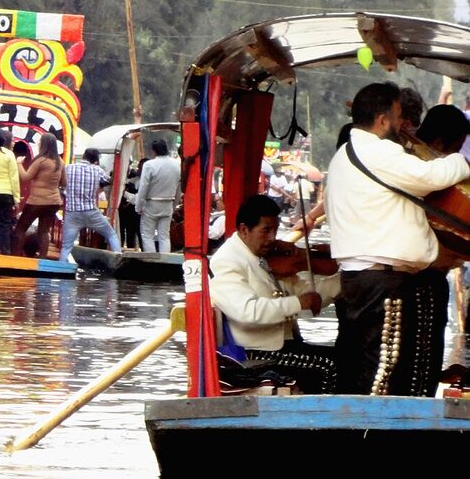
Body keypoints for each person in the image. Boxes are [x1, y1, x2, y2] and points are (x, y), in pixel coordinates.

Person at [325, 82, 469, 396]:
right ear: (382, 120)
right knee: (382, 370)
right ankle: (370, 434)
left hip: (360, 277)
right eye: (399, 115)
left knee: (366, 363)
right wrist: (461, 161)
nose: (404, 124)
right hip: (381, 281)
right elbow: (433, 176)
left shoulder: (345, 154)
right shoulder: (378, 151)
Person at [210, 194, 340, 394]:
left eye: (275, 230)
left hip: (284, 345)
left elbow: (304, 291)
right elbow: (248, 312)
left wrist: (345, 282)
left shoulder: (262, 257)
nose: (273, 238)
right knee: (330, 366)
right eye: (266, 231)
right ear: (244, 230)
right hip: (255, 353)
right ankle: (327, 421)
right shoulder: (227, 260)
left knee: (345, 358)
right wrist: (298, 303)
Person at [411, 104, 470, 395]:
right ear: (437, 144)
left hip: (426, 276)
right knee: (419, 359)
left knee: (424, 359)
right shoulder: (421, 172)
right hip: (419, 278)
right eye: (456, 149)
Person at [60, 148, 122, 262]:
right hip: (91, 212)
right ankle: (118, 260)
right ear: (96, 160)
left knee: (66, 247)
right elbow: (110, 180)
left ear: (83, 156)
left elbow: (61, 185)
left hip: (72, 213)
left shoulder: (68, 168)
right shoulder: (97, 170)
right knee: (111, 235)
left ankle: (61, 271)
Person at [13, 132, 65, 258]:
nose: (38, 143)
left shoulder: (41, 160)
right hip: (53, 202)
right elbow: (64, 182)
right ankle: (42, 260)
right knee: (44, 231)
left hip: (37, 201)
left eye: (40, 141)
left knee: (20, 229)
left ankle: (16, 256)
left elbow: (26, 177)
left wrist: (19, 163)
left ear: (44, 144)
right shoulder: (60, 161)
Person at [135, 139, 181, 253]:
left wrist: (138, 206)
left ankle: (151, 263)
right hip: (168, 204)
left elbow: (143, 187)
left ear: (154, 151)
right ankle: (165, 262)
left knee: (147, 235)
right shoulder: (176, 165)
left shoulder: (149, 165)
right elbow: (178, 189)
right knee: (164, 236)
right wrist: (174, 205)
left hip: (152, 204)